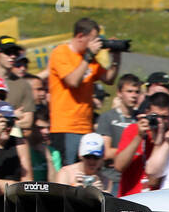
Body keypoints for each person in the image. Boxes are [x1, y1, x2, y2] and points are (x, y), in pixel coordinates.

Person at [48, 17, 120, 165]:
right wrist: (88, 57)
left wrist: (117, 57)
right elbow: (73, 81)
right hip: (65, 126)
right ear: (80, 36)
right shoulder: (61, 53)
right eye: (93, 39)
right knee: (67, 171)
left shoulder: (89, 59)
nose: (96, 44)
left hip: (85, 127)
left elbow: (109, 79)